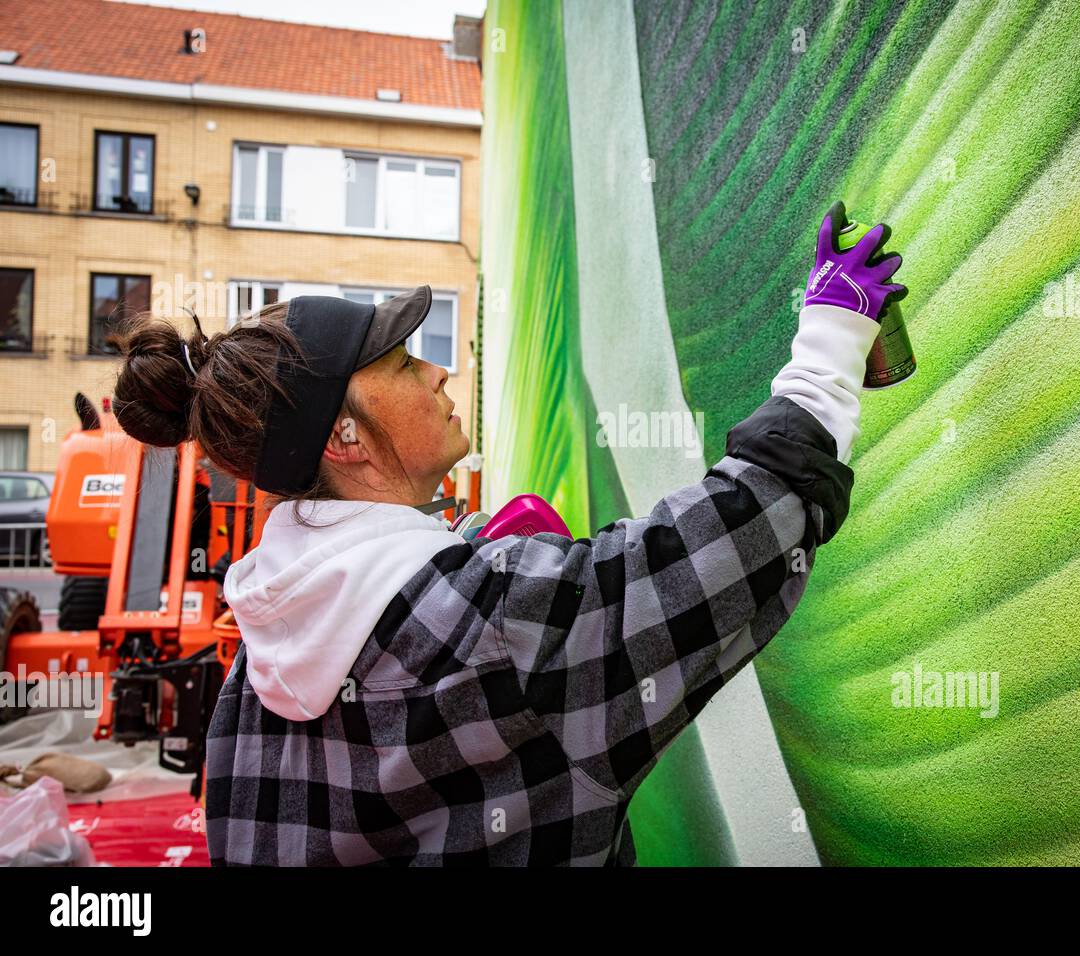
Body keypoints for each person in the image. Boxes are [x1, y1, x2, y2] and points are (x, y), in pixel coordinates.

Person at [107, 202, 906, 866]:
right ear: (345, 439)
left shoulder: (256, 670)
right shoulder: (493, 618)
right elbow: (732, 539)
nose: (436, 371)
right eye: (399, 363)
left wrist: (465, 550)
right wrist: (828, 350)